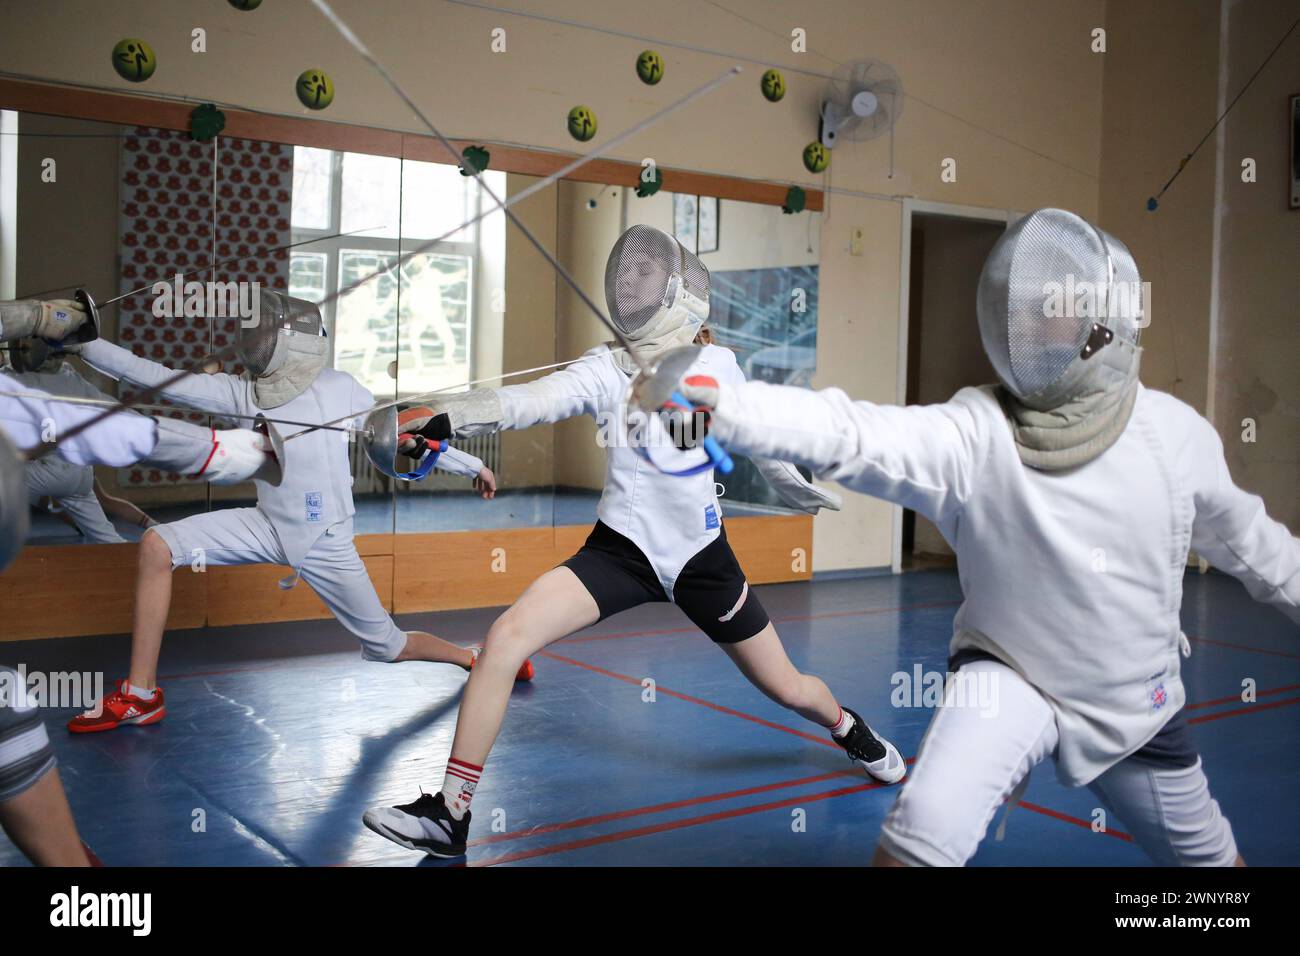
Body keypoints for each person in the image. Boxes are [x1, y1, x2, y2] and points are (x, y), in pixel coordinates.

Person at [659, 208, 1299, 866]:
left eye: (1046, 306)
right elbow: (852, 432)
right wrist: (725, 404)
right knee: (922, 831)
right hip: (1008, 673)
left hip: (1133, 691)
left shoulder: (1174, 436)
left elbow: (1262, 554)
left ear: (1103, 321)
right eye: (1018, 308)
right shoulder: (980, 428)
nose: (1024, 323)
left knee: (1213, 872)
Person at [362, 225, 906, 858]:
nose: (634, 289)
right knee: (506, 637)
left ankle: (849, 728)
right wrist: (448, 414)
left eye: (646, 282)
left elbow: (766, 441)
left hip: (703, 561)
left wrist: (802, 491)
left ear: (674, 294)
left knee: (788, 688)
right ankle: (451, 816)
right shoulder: (604, 368)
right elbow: (527, 401)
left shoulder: (718, 368)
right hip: (619, 552)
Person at [64, 290, 531, 734]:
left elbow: (403, 435)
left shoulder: (342, 388)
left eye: (266, 333)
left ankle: (476, 659)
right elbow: (148, 374)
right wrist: (84, 342)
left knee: (390, 646)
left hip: (324, 538)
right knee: (157, 544)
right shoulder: (243, 392)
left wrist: (472, 464)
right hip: (267, 523)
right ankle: (141, 695)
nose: (257, 341)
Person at [0, 296, 278, 866]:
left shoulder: (52, 384)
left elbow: (90, 419)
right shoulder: (29, 394)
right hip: (67, 461)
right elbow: (94, 422)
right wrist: (218, 453)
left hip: (70, 464)